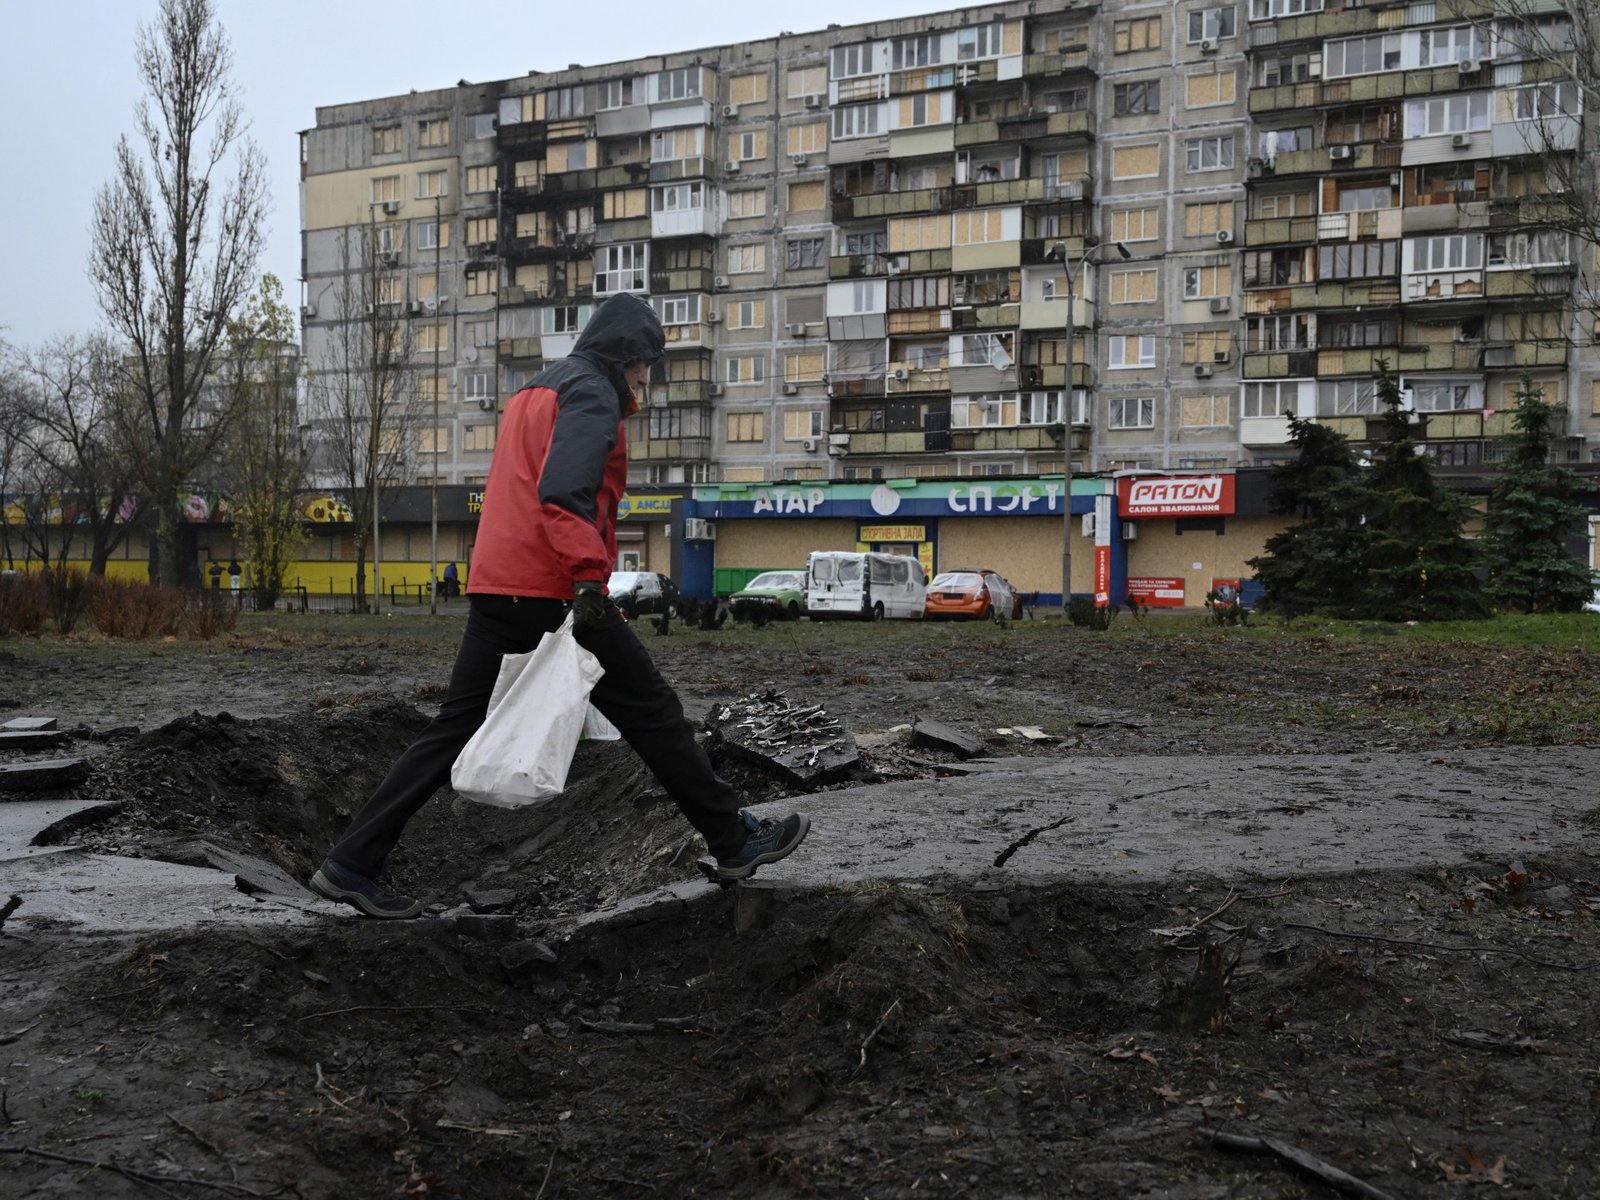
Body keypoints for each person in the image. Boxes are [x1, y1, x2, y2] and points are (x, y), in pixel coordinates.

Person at [311, 293, 810, 918]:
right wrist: (588, 583)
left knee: (453, 727)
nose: (646, 378)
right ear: (626, 355)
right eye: (646, 364)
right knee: (653, 712)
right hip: (553, 589)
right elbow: (563, 491)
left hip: (499, 582)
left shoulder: (534, 391)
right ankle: (735, 841)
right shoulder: (592, 392)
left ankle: (351, 863)